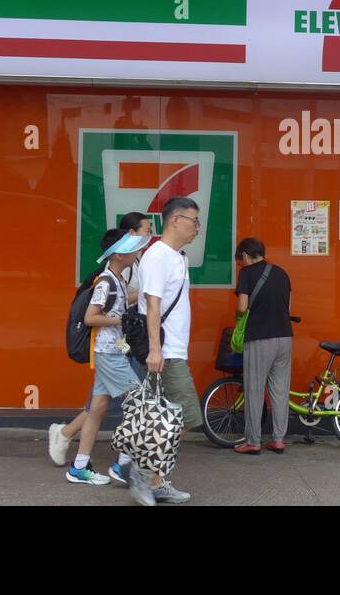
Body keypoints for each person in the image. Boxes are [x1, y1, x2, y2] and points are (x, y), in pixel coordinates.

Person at [48, 213, 153, 480]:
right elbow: (90, 316)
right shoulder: (107, 282)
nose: (135, 253)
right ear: (117, 255)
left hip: (112, 350)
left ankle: (80, 467)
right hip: (108, 354)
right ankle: (124, 465)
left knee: (97, 409)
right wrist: (119, 319)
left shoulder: (115, 279)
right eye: (130, 250)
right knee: (139, 405)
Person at [131, 196, 201, 506]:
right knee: (184, 415)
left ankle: (152, 478)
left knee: (166, 419)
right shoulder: (158, 255)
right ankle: (143, 474)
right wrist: (156, 350)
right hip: (166, 353)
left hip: (173, 351)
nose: (197, 228)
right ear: (175, 220)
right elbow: (152, 303)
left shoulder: (176, 256)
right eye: (193, 221)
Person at [231, 238, 294, 455]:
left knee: (254, 389)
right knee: (279, 390)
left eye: (240, 260)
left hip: (260, 337)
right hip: (285, 337)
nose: (241, 264)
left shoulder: (247, 274)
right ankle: (278, 439)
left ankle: (253, 441)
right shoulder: (281, 273)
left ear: (246, 256)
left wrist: (239, 314)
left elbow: (242, 307)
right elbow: (287, 305)